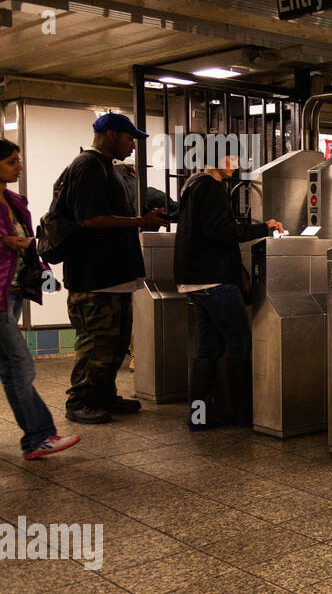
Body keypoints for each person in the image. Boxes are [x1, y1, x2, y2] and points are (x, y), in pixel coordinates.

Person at [59, 114, 168, 424]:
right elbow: (88, 219)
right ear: (110, 135)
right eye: (129, 138)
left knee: (115, 344)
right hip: (94, 279)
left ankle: (104, 395)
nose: (133, 145)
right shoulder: (87, 167)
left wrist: (142, 216)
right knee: (96, 344)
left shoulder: (107, 169)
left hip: (114, 278)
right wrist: (140, 222)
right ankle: (79, 401)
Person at [173, 158, 282, 429]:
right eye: (230, 157)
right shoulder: (211, 186)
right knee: (240, 343)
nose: (236, 163)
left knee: (208, 348)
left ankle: (198, 417)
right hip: (214, 279)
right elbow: (220, 232)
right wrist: (263, 227)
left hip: (194, 281)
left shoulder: (192, 185)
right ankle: (240, 413)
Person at [0, 141, 81, 459]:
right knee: (19, 364)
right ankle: (38, 436)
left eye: (18, 160)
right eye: (10, 161)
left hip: (16, 290)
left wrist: (45, 274)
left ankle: (37, 436)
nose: (18, 166)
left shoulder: (15, 201)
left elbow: (29, 245)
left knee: (9, 365)